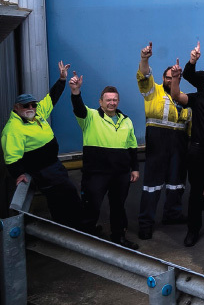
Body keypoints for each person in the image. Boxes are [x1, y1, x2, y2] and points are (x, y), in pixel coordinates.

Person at [3, 63, 83, 227]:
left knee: (64, 197)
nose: (31, 108)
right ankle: (74, 230)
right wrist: (18, 174)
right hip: (43, 171)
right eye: (26, 106)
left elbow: (52, 98)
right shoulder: (13, 129)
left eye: (33, 104)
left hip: (54, 165)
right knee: (66, 195)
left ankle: (71, 228)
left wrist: (62, 79)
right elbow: (11, 157)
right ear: (16, 108)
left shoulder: (37, 114)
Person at [70, 73, 139, 248]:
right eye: (108, 100)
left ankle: (118, 237)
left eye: (115, 100)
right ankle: (85, 240)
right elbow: (78, 108)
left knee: (118, 207)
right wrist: (76, 92)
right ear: (100, 102)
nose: (112, 103)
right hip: (96, 174)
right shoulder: (90, 117)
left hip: (121, 174)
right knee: (91, 207)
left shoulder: (126, 121)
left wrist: (135, 168)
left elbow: (132, 147)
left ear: (118, 101)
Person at [135, 42, 188, 240]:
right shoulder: (152, 91)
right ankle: (145, 222)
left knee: (176, 183)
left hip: (178, 144)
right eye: (168, 77)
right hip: (158, 141)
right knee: (152, 185)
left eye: (175, 77)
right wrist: (145, 58)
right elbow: (144, 76)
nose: (171, 80)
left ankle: (172, 214)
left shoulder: (183, 98)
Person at [169, 64, 204, 247]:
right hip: (199, 149)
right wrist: (176, 78)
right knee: (195, 193)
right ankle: (193, 230)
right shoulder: (198, 98)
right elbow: (177, 96)